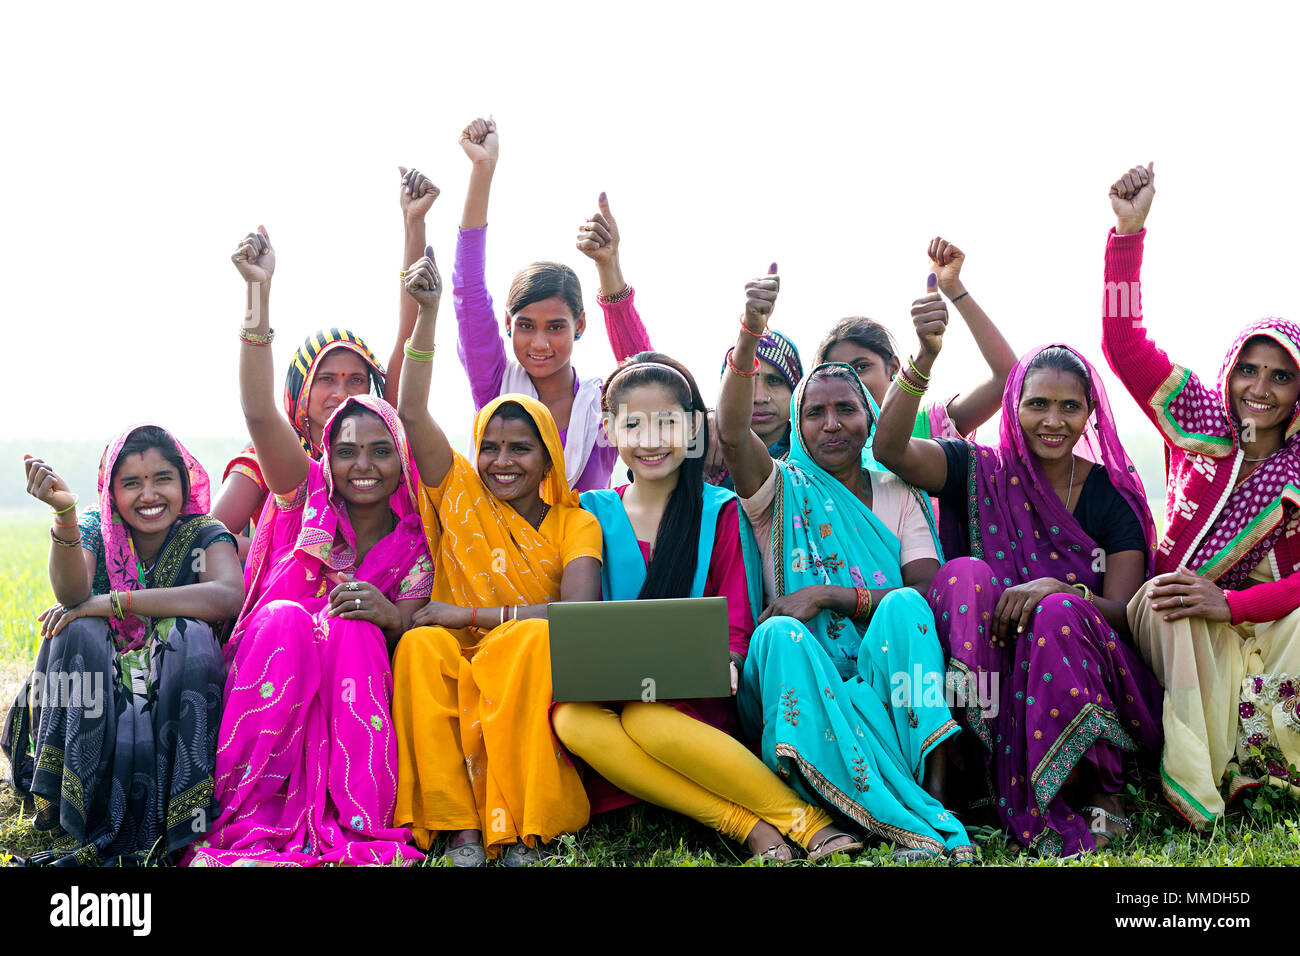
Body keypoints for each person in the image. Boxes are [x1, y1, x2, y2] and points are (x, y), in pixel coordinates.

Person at [872, 286, 1163, 854]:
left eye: (1069, 406)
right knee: (963, 576)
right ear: (1014, 406)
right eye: (1037, 404)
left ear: (1090, 415)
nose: (1052, 421)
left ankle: (1094, 784)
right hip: (995, 668)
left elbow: (1126, 616)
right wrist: (924, 359)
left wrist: (1062, 588)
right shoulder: (977, 470)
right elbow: (890, 450)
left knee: (1056, 610)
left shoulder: (1111, 496)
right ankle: (970, 762)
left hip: (1085, 667)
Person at [187, 226, 434, 867]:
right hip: (278, 655)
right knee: (294, 617)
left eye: (380, 450)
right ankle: (249, 815)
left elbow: (415, 613)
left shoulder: (417, 526)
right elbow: (259, 412)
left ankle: (354, 820)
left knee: (351, 628)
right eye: (348, 450)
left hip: (357, 674)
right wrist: (257, 296)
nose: (363, 464)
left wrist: (388, 613)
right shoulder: (303, 488)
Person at [552, 354, 856, 861]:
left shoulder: (720, 510)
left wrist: (731, 666)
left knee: (650, 720)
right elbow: (581, 620)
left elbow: (737, 622)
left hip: (696, 696)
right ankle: (744, 823)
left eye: (668, 423)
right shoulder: (589, 513)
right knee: (571, 721)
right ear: (608, 429)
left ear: (695, 428)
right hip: (613, 691)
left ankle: (804, 821)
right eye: (633, 424)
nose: (651, 440)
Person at [717, 265, 974, 862]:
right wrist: (751, 333)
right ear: (799, 426)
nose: (832, 425)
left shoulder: (898, 491)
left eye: (847, 411)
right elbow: (731, 436)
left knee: (907, 605)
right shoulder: (780, 490)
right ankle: (824, 808)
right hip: (797, 676)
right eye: (815, 413)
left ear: (870, 419)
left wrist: (831, 596)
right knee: (781, 631)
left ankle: (931, 798)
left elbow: (927, 595)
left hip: (882, 676)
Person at [1103, 162, 1300, 827]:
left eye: (1280, 376)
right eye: (1248, 367)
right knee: (1173, 600)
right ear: (1229, 371)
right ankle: (1193, 792)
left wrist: (1231, 604)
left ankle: (1261, 773)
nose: (1259, 388)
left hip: (1239, 618)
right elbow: (1123, 344)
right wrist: (1128, 236)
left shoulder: (1297, 473)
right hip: (1166, 618)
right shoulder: (1196, 419)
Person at [393, 245, 603, 866]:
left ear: (549, 457)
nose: (503, 461)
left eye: (521, 448)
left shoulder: (576, 522)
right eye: (491, 446)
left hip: (519, 650)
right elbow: (410, 410)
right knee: (418, 647)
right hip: (457, 653)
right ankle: (458, 825)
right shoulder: (458, 489)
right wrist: (428, 315)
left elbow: (577, 618)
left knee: (526, 644)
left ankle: (521, 827)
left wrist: (471, 618)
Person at [3, 428, 243, 865]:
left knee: (190, 636)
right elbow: (71, 593)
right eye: (131, 482)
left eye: (162, 479)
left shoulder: (204, 535)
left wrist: (115, 601)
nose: (149, 494)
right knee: (77, 631)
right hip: (103, 698)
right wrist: (66, 514)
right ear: (111, 490)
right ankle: (72, 806)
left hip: (173, 697)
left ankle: (184, 810)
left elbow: (226, 595)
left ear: (184, 484)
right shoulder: (99, 528)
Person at [451, 117, 650, 492]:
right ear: (507, 323)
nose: (539, 343)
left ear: (580, 325)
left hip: (588, 551)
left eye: (555, 327)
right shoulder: (495, 386)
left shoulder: (601, 411)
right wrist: (482, 171)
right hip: (497, 552)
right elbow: (468, 292)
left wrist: (609, 266)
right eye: (526, 325)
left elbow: (649, 375)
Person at [212, 186, 411, 555]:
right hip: (287, 599)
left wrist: (414, 224)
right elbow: (209, 538)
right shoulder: (274, 459)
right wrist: (278, 548)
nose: (342, 393)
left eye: (356, 380)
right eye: (326, 379)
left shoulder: (387, 447)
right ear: (300, 389)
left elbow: (408, 340)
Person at [814, 237, 1017, 444]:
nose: (852, 380)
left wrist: (953, 287)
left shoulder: (927, 425)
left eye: (861, 367)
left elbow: (1008, 378)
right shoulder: (822, 445)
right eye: (840, 372)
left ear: (893, 367)